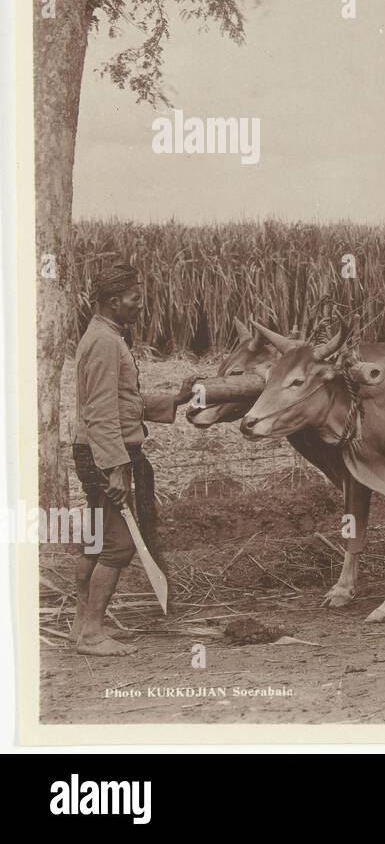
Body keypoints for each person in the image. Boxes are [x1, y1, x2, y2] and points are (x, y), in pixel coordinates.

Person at [69, 264, 191, 656]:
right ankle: (91, 633)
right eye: (135, 298)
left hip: (95, 451)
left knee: (96, 540)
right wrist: (118, 467)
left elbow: (123, 403)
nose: (141, 305)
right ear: (113, 301)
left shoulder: (105, 336)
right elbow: (102, 411)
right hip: (106, 455)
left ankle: (79, 626)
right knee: (118, 546)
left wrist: (174, 400)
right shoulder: (105, 342)